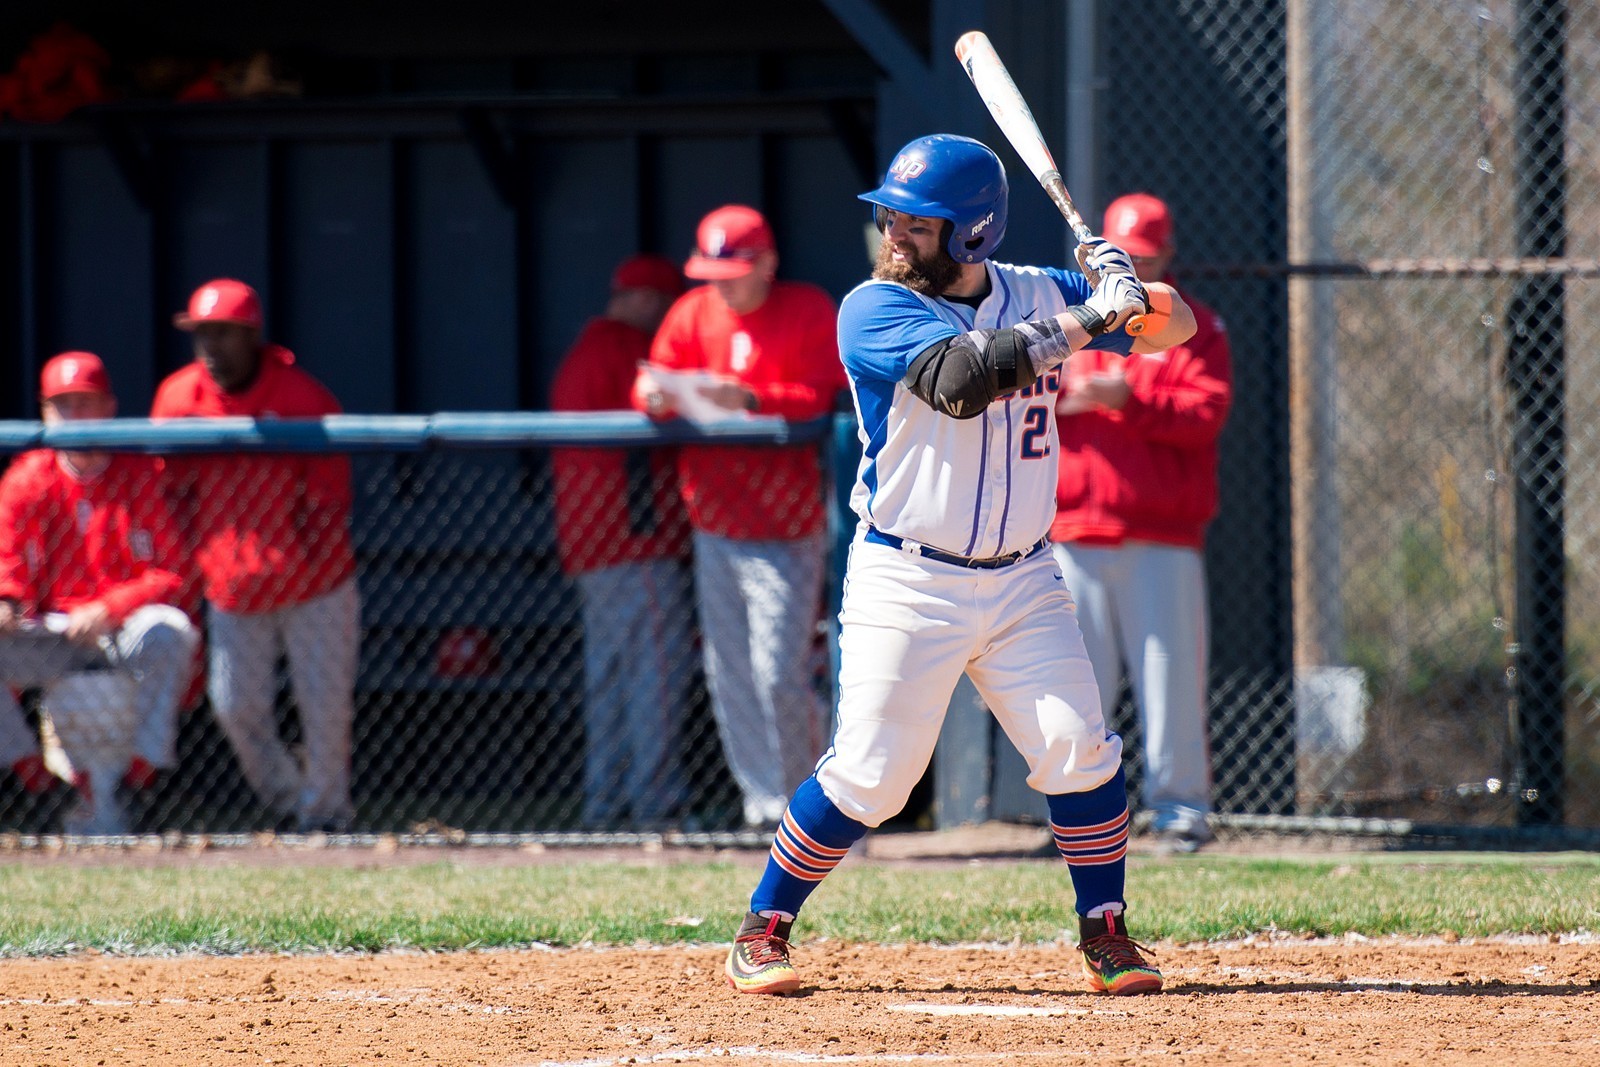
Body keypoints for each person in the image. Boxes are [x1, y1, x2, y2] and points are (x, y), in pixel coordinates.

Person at [721, 135, 1196, 998]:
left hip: (1023, 578)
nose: (895, 233)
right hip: (909, 576)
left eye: (918, 223)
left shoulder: (1043, 289)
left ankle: (1107, 932)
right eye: (891, 216)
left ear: (973, 234)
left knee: (1079, 748)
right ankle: (766, 922)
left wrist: (1131, 286)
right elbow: (965, 378)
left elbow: (1178, 328)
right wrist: (1095, 315)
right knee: (874, 772)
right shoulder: (870, 308)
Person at [632, 205, 845, 832]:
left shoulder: (806, 309)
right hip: (715, 520)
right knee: (727, 671)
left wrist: (750, 398)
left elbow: (824, 393)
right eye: (712, 270)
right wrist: (650, 398)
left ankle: (815, 800)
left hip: (787, 523)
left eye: (733, 269)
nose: (720, 282)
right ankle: (764, 806)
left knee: (779, 671)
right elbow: (654, 385)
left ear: (766, 264)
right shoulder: (690, 313)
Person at [1051, 193, 1233, 854]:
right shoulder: (1075, 323)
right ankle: (1077, 819)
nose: (1138, 268)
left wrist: (1132, 398)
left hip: (1161, 533)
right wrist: (1065, 399)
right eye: (1128, 256)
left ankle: (1180, 812)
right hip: (1075, 530)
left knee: (1170, 681)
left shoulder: (1193, 327)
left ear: (1167, 256)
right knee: (1076, 690)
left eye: (1148, 257)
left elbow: (1204, 414)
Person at [151, 279, 359, 833]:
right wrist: (198, 560)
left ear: (252, 336)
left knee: (325, 710)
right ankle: (293, 799)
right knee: (235, 707)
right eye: (202, 336)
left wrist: (305, 556)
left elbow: (329, 496)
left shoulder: (301, 397)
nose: (212, 349)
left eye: (223, 335)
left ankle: (326, 817)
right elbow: (169, 493)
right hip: (233, 588)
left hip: (316, 587)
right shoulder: (178, 399)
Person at [0, 351, 199, 831]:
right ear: (45, 412)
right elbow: (7, 558)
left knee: (171, 630)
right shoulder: (27, 478)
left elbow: (173, 572)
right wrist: (7, 599)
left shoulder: (139, 474)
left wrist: (111, 607)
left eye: (86, 403)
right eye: (64, 405)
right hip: (50, 631)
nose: (76, 417)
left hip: (121, 629)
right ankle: (35, 780)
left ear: (109, 407)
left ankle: (141, 773)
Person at [550, 254, 695, 829]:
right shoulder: (619, 351)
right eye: (660, 307)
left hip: (593, 545)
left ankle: (606, 803)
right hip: (635, 542)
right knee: (656, 673)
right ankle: (653, 803)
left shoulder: (588, 349)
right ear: (643, 301)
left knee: (611, 680)